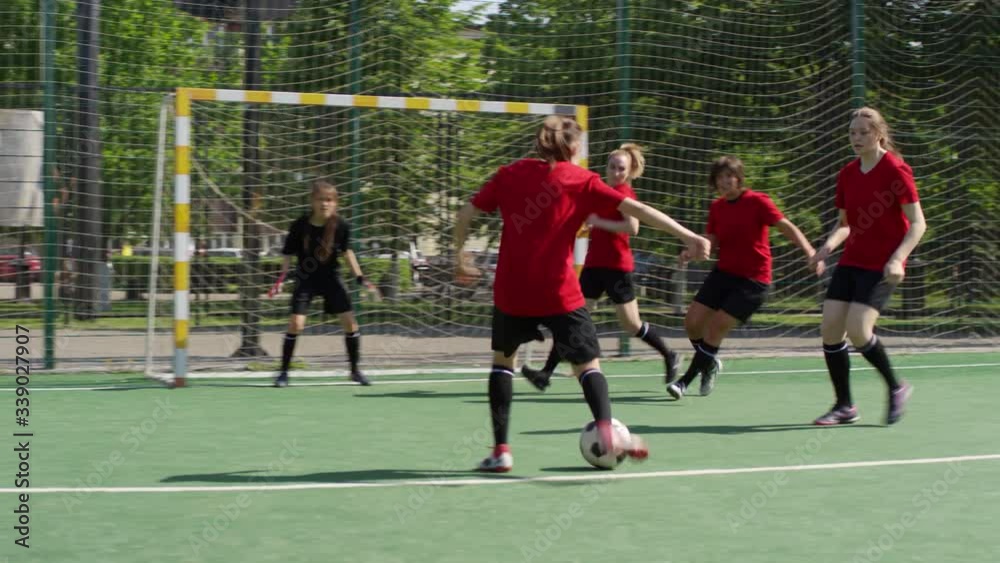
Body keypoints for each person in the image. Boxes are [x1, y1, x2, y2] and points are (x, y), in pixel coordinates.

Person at [454, 115, 711, 472]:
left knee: (503, 363)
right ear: (575, 147)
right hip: (559, 291)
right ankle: (607, 431)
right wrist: (689, 236)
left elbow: (466, 213)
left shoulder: (508, 174)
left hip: (513, 290)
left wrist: (460, 257)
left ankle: (501, 451)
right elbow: (639, 211)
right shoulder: (581, 180)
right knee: (588, 365)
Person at [521, 143, 681, 391]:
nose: (616, 172)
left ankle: (669, 354)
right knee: (572, 319)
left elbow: (633, 227)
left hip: (617, 267)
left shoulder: (625, 193)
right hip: (595, 266)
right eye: (613, 167)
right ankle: (545, 373)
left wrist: (599, 221)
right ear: (606, 168)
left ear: (627, 172)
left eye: (621, 168)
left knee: (632, 325)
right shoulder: (600, 192)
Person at [667, 156, 823, 400]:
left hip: (754, 280)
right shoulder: (717, 207)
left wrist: (810, 251)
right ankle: (708, 361)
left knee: (716, 327)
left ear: (739, 178)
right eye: (719, 177)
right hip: (724, 273)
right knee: (692, 322)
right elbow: (712, 241)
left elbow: (787, 227)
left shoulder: (758, 201)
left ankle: (685, 382)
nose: (724, 181)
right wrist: (692, 252)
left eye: (729, 176)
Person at [808, 107, 925, 426]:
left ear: (879, 134)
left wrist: (898, 258)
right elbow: (845, 224)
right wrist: (827, 247)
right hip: (852, 260)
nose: (857, 138)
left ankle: (897, 387)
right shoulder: (846, 174)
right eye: (852, 133)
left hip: (883, 265)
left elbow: (917, 223)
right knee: (831, 326)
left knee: (859, 330)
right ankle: (844, 406)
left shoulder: (896, 170)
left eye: (863, 132)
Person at [273, 180, 379, 388]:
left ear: (335, 203)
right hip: (306, 279)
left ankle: (355, 371)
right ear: (312, 201)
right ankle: (283, 373)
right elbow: (287, 254)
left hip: (331, 278)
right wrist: (281, 279)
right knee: (296, 324)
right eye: (321, 199)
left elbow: (348, 253)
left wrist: (360, 277)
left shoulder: (341, 226)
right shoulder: (299, 225)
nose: (325, 204)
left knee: (350, 323)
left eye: (329, 200)